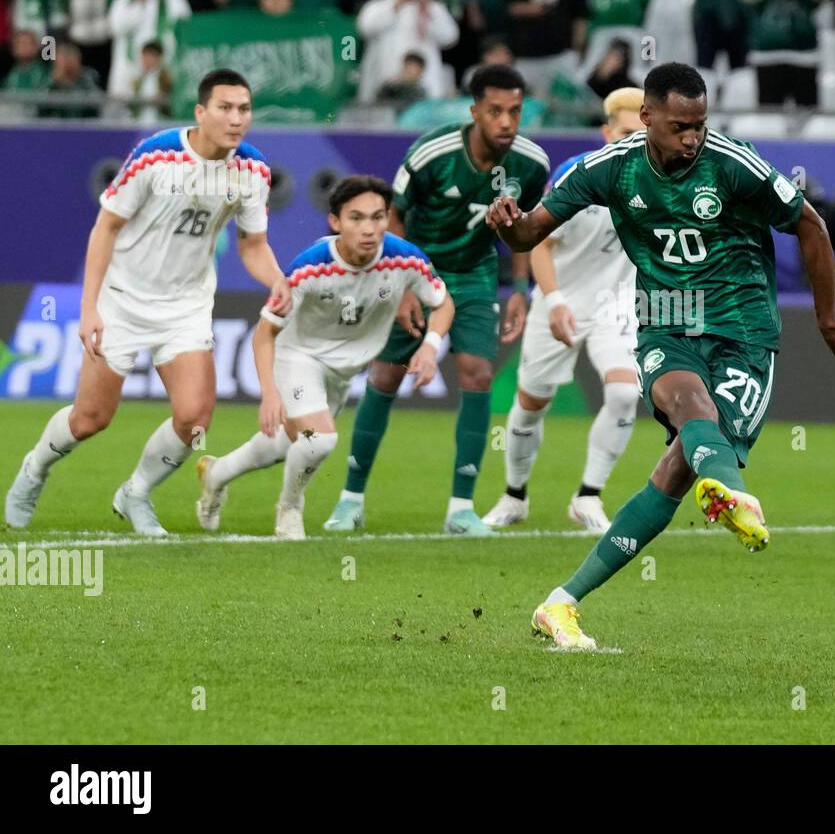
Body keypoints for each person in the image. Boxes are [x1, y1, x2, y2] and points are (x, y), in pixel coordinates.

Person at [485, 61, 835, 650]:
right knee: (689, 407)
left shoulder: (733, 164)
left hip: (743, 327)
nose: (692, 138)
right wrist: (506, 226)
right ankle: (729, 489)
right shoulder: (610, 168)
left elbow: (811, 226)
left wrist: (826, 320)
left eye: (700, 125)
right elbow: (531, 234)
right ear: (649, 117)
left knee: (676, 470)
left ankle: (559, 605)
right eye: (680, 126)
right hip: (667, 316)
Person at [5, 69, 289, 536]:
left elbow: (252, 245)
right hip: (123, 301)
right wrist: (89, 308)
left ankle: (135, 492)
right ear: (201, 112)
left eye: (244, 109)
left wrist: (277, 280)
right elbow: (106, 227)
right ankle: (34, 468)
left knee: (195, 419)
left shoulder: (253, 170)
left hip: (186, 306)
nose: (236, 118)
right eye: (225, 108)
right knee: (90, 419)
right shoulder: (155, 156)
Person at [327, 64, 550, 536]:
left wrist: (520, 290)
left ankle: (460, 509)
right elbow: (395, 215)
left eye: (514, 111)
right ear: (474, 112)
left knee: (478, 372)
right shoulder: (433, 153)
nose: (506, 122)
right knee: (385, 375)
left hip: (473, 274)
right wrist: (405, 283)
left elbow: (523, 228)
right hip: (416, 266)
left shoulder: (531, 164)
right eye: (495, 111)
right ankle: (350, 499)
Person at [195, 176, 453, 539]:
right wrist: (270, 394)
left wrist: (430, 345)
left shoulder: (405, 258)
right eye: (356, 218)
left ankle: (217, 473)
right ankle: (289, 509)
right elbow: (264, 333)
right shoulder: (310, 268)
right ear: (335, 222)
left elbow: (442, 303)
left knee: (291, 444)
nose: (369, 229)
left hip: (343, 370)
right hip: (297, 355)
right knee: (321, 439)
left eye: (378, 217)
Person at [482, 87, 645, 534]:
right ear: (606, 132)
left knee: (624, 394)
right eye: (627, 132)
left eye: (643, 132)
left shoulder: (660, 181)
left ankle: (588, 496)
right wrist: (552, 302)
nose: (635, 140)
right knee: (532, 404)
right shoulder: (578, 175)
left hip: (618, 306)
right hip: (561, 300)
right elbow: (539, 243)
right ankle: (514, 495)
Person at [357, 0, 459, 102]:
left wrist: (426, 13)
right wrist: (396, 7)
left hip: (425, 83)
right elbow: (365, 29)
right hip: (385, 81)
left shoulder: (432, 8)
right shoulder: (377, 6)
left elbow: (450, 37)